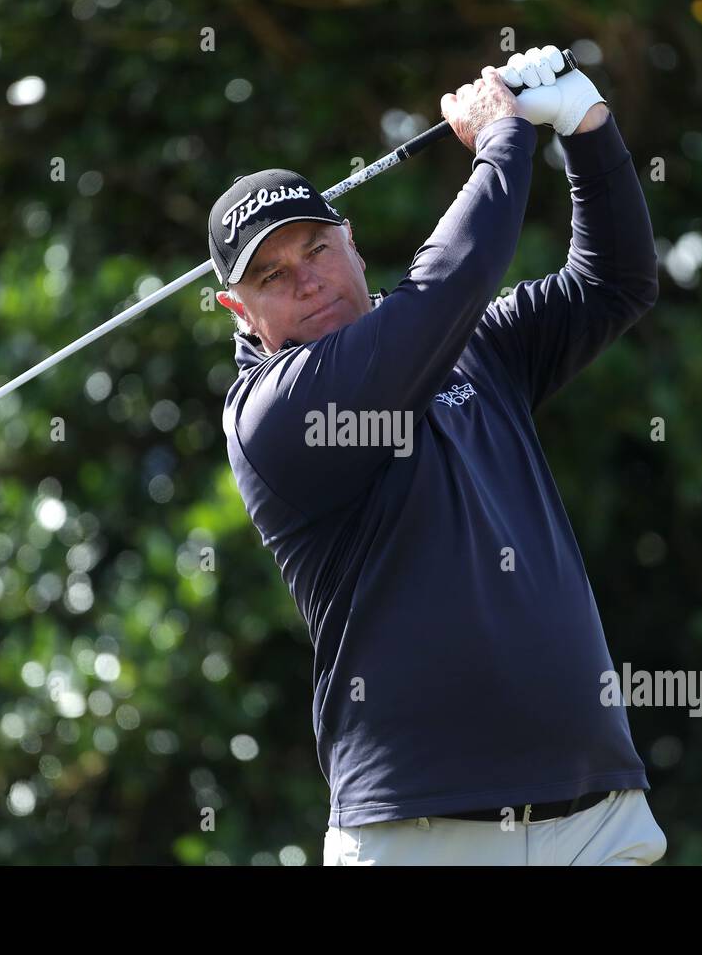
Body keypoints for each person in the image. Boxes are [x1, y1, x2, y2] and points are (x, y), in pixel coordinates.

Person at [208, 46, 664, 865]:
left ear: (351, 242)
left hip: (594, 815)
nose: (307, 280)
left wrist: (587, 131)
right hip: (422, 834)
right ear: (238, 311)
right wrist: (503, 140)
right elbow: (449, 284)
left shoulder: (471, 346)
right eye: (273, 276)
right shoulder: (274, 417)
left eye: (316, 248)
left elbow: (614, 283)